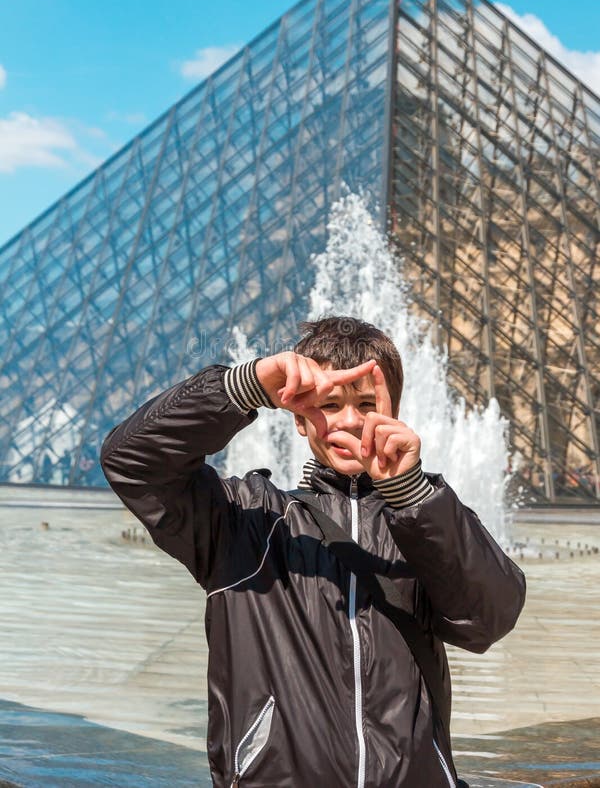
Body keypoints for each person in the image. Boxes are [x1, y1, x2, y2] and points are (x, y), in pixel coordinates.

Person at [101, 316, 526, 788]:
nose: (349, 420)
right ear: (299, 419)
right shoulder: (244, 522)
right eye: (329, 404)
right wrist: (245, 386)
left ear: (393, 411)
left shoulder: (424, 524)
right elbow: (131, 461)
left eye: (366, 403)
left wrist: (410, 492)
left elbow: (490, 618)